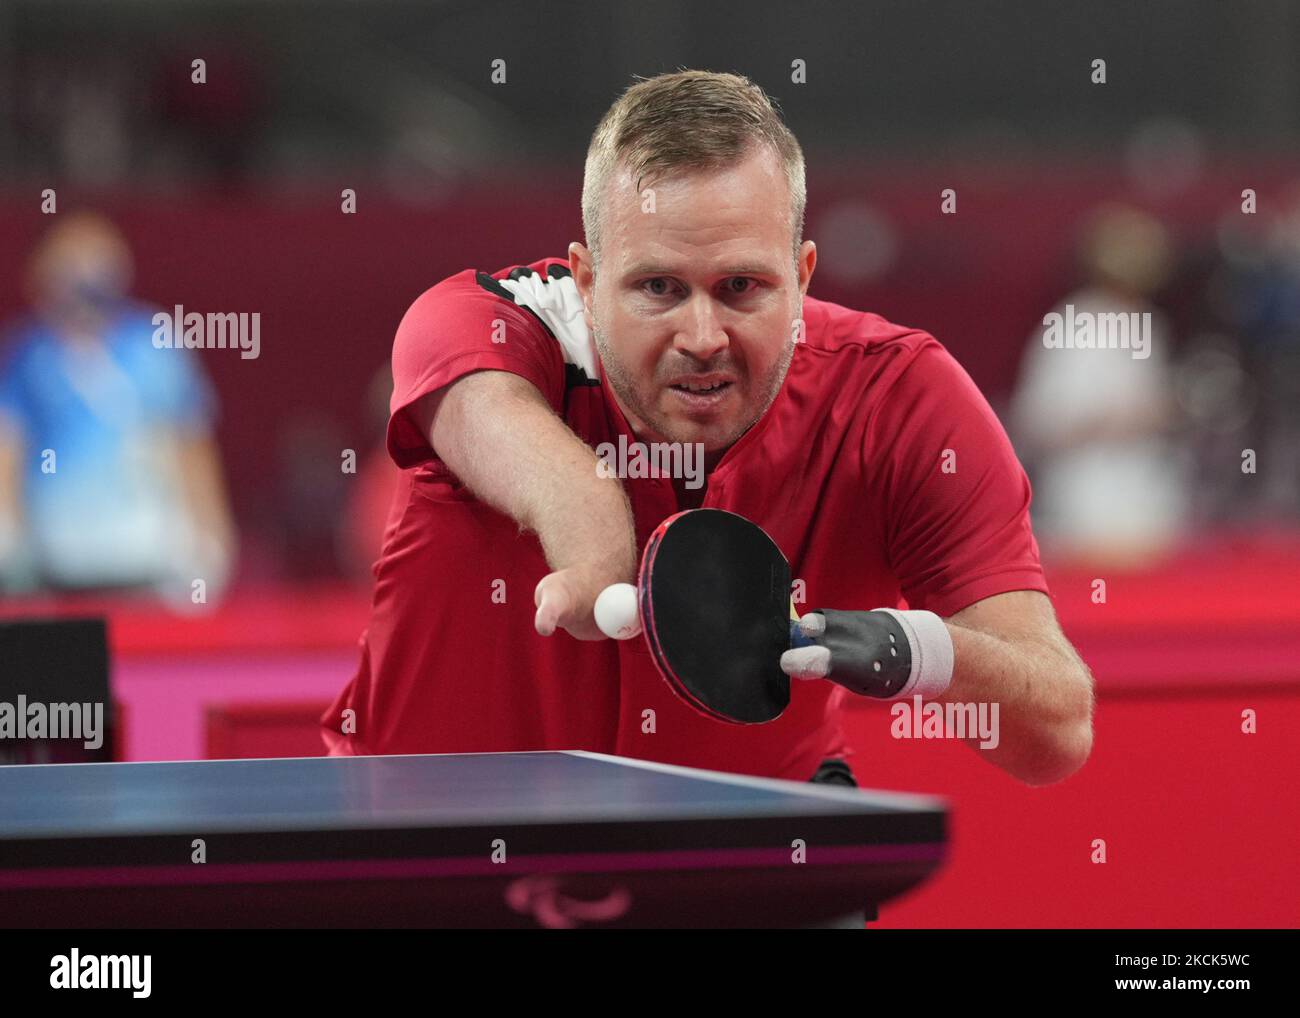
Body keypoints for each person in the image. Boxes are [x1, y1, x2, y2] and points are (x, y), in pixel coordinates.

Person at [322, 71, 1094, 788]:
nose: (702, 335)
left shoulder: (900, 398)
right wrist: (594, 566)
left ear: (804, 276)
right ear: (586, 282)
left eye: (741, 288)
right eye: (658, 287)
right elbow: (523, 448)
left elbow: (1054, 732)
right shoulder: (479, 322)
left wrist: (914, 651)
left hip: (751, 850)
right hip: (429, 848)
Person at [0, 213, 236, 602]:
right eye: (72, 261)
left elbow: (189, 444)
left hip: (147, 558)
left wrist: (211, 535)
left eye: (98, 260)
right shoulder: (24, 356)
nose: (86, 277)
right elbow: (8, 448)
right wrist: (8, 537)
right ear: (40, 272)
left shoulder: (153, 346)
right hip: (58, 560)